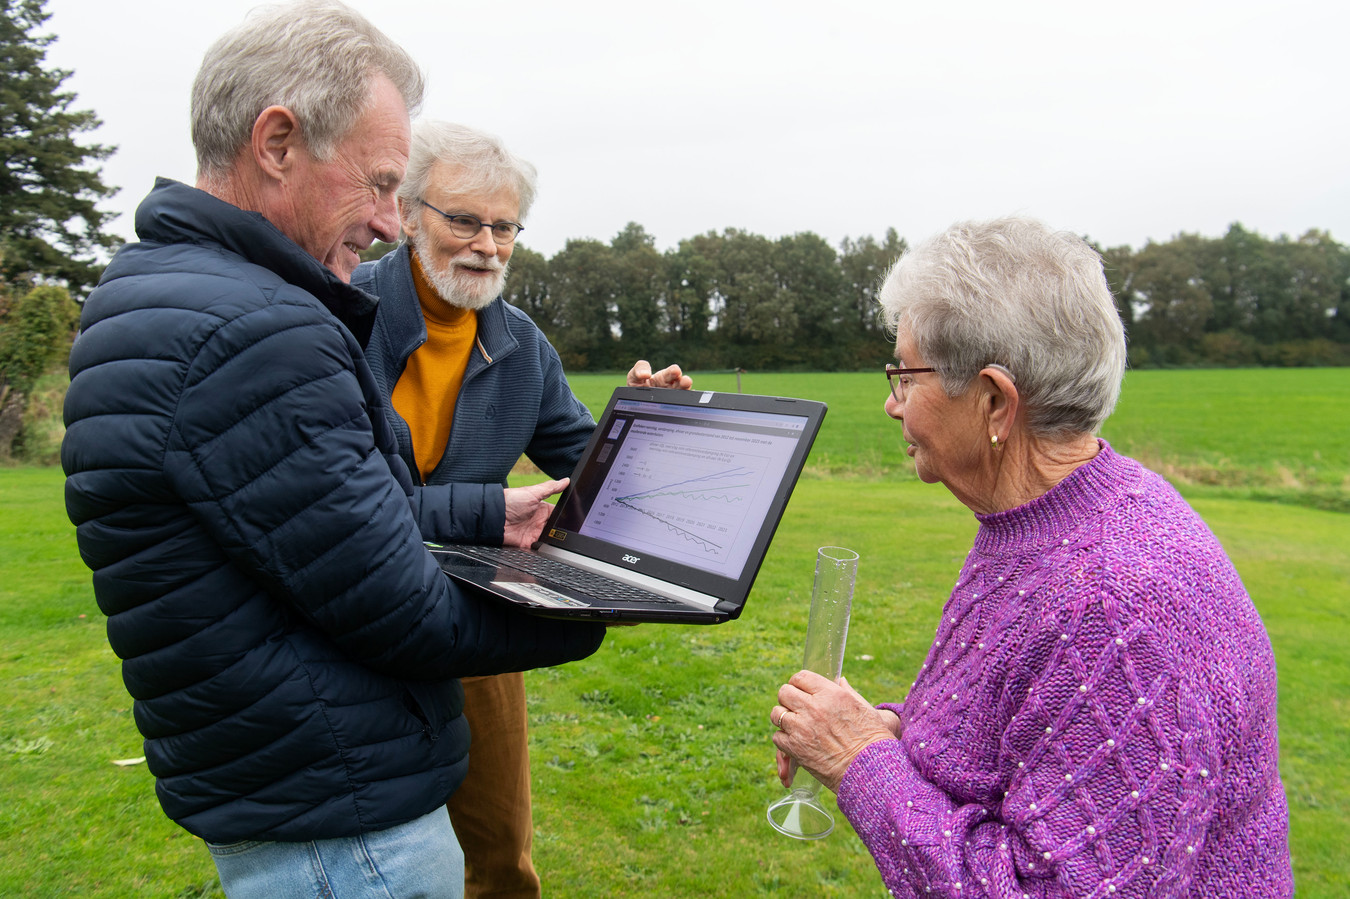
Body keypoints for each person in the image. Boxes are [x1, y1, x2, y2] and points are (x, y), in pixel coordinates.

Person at [60, 3, 606, 897]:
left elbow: (310, 507)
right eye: (384, 185)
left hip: (301, 743)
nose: (386, 221)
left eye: (504, 227)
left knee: (501, 849)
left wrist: (490, 506)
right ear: (277, 142)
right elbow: (393, 602)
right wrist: (600, 609)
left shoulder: (156, 286)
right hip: (342, 793)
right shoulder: (278, 323)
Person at [769, 217, 1293, 897]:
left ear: (994, 401)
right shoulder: (1060, 516)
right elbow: (1023, 724)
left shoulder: (1114, 605)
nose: (892, 405)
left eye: (905, 375)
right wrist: (889, 731)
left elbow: (1044, 886)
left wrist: (860, 759)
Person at [352, 119, 690, 899]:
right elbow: (345, 502)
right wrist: (482, 509)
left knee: (503, 855)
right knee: (372, 848)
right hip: (351, 610)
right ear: (407, 214)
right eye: (464, 220)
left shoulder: (521, 345)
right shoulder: (341, 315)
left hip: (472, 616)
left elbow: (592, 474)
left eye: (504, 226)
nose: (487, 245)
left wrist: (645, 424)